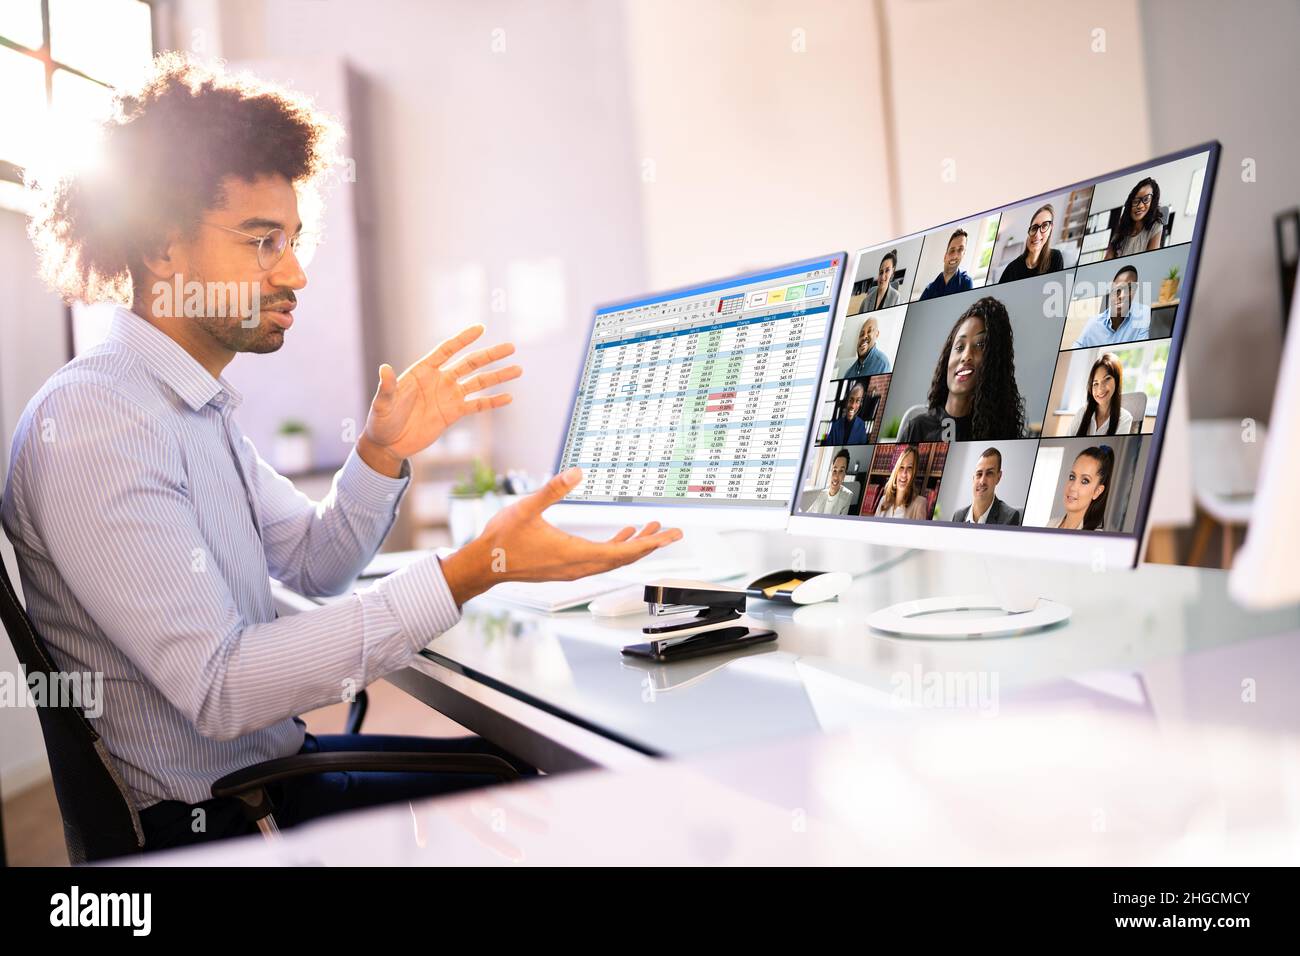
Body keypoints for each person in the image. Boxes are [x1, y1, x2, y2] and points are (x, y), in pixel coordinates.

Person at [1, 55, 682, 852]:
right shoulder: (98, 422)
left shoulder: (188, 406)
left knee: (540, 763)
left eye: (292, 241)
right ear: (160, 250)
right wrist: (471, 570)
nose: (294, 272)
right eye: (261, 242)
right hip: (224, 825)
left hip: (273, 776)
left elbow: (317, 564)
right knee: (560, 787)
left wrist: (379, 452)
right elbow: (223, 687)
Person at [898, 296, 1026, 443]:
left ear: (995, 362)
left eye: (980, 345)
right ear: (947, 358)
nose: (966, 356)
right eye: (959, 347)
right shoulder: (917, 428)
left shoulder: (1000, 436)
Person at [1072, 265, 1151, 348]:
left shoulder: (1143, 313)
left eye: (1129, 289)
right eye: (1118, 289)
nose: (1122, 296)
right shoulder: (1093, 324)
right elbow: (1075, 348)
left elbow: (1141, 348)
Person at [1067, 353, 1135, 436]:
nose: (1100, 389)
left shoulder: (1124, 418)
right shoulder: (1081, 413)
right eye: (1095, 383)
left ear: (1117, 381)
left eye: (1107, 379)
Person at [950, 447, 1022, 525]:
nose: (982, 481)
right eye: (979, 474)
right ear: (973, 478)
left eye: (989, 473)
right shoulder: (958, 516)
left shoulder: (1009, 518)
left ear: (998, 477)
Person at [997, 204, 1064, 283]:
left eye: (1045, 225)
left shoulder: (1056, 257)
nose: (1037, 234)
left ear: (1051, 229)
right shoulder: (1012, 269)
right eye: (1034, 228)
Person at [1053, 446, 1114, 530]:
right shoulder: (1051, 523)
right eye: (1072, 477)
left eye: (1085, 481)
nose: (1073, 487)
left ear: (1097, 491)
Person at [1103, 177, 1164, 259]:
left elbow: (1151, 261)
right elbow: (1107, 260)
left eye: (1146, 199)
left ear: (1153, 201)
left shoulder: (1156, 227)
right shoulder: (1122, 228)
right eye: (1135, 201)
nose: (1140, 205)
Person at [872, 444, 930, 519]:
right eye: (901, 467)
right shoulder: (883, 500)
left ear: (914, 473)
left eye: (909, 468)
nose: (904, 474)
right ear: (896, 470)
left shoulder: (920, 503)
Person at [918, 229, 973, 300]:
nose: (955, 255)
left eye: (960, 250)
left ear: (963, 255)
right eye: (952, 250)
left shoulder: (966, 283)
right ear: (945, 257)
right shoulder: (929, 289)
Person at [806, 448, 854, 515]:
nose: (836, 477)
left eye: (841, 471)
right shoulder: (822, 494)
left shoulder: (847, 496)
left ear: (844, 475)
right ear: (831, 471)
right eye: (834, 470)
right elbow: (808, 514)